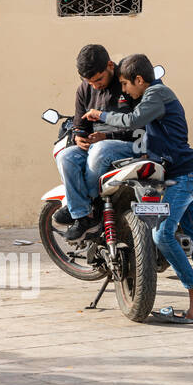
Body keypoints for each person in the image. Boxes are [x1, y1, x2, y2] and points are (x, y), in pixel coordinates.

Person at [86, 53, 193, 323]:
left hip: (181, 177)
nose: (123, 90)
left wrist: (100, 115)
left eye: (125, 84)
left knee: (161, 234)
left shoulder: (155, 94)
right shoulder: (156, 96)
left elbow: (132, 120)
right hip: (185, 173)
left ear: (139, 79)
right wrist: (107, 135)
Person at [55, 44, 142, 243]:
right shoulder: (85, 89)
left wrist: (106, 138)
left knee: (100, 150)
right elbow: (79, 123)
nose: (95, 86)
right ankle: (83, 218)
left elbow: (140, 125)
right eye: (89, 82)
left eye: (98, 80)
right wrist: (79, 136)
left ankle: (84, 207)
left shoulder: (127, 82)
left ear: (110, 66)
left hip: (128, 145)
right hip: (94, 146)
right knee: (66, 156)